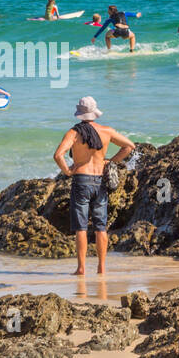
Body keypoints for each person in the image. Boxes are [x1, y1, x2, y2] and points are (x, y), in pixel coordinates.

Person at [52, 96, 135, 277]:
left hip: (81, 180)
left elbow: (58, 155)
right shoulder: (106, 131)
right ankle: (101, 268)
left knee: (81, 227)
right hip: (100, 181)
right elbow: (129, 146)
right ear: (95, 112)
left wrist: (67, 171)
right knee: (101, 226)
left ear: (79, 113)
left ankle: (81, 268)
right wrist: (110, 162)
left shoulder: (74, 133)